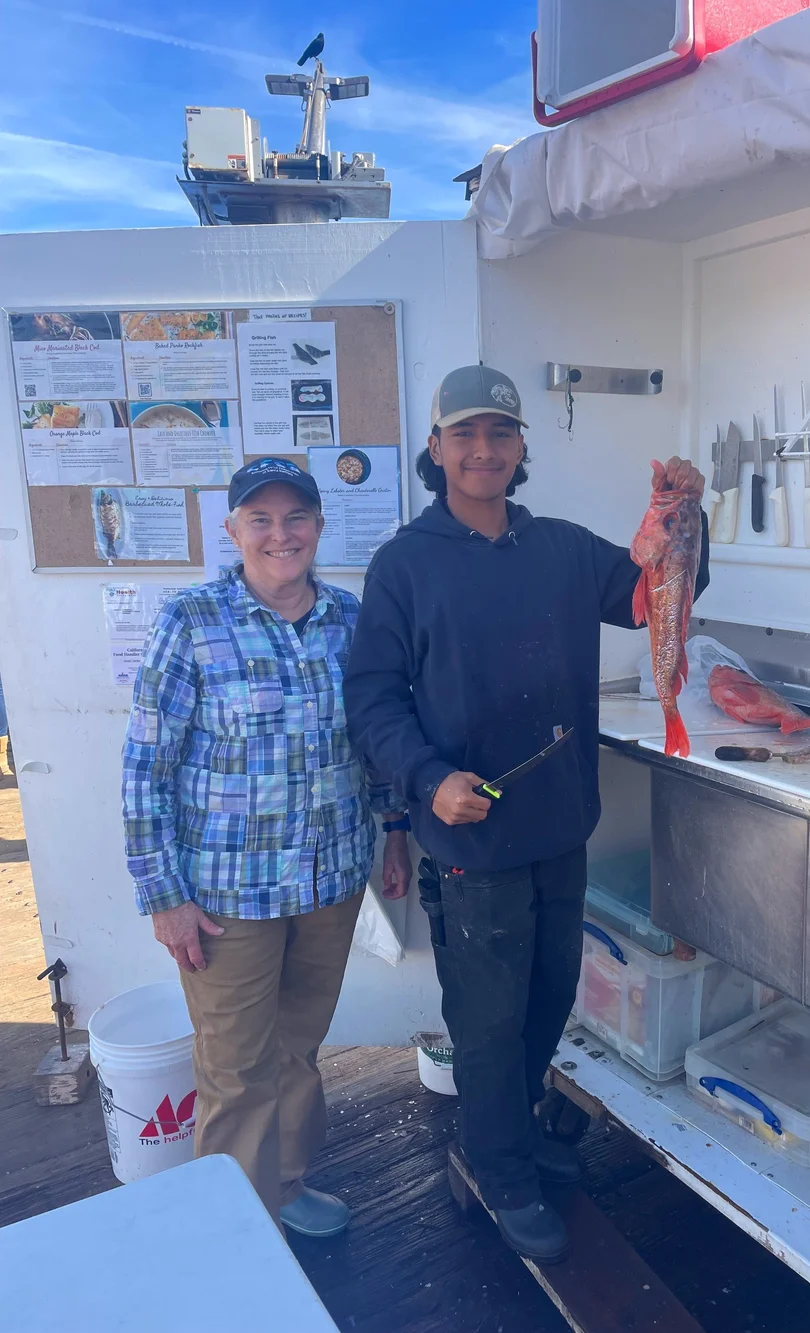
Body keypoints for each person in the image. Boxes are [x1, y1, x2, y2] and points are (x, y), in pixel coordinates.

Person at [343, 366, 709, 1263]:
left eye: (500, 434)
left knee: (548, 998)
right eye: (465, 434)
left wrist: (688, 519)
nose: (483, 450)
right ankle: (498, 1168)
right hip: (473, 838)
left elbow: (654, 594)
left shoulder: (561, 547)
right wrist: (428, 779)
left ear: (519, 450)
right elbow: (371, 697)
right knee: (487, 1018)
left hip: (559, 825)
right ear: (437, 449)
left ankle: (513, 1136)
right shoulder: (404, 564)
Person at [122, 457, 411, 1235]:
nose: (279, 534)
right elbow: (145, 764)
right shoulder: (191, 619)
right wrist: (164, 897)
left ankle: (281, 1187)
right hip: (224, 899)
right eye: (261, 518)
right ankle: (233, 1233)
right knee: (235, 1070)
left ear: (318, 526)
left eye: (296, 518)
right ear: (233, 530)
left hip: (329, 882)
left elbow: (374, 738)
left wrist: (393, 828)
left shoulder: (351, 620)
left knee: (296, 1051)